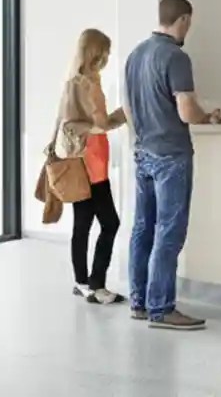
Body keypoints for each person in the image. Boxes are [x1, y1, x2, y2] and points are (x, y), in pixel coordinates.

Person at [124, 0, 221, 331]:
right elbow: (186, 111)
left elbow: (128, 108)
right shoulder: (176, 57)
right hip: (171, 155)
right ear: (183, 20)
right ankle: (162, 308)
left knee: (143, 228)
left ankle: (139, 302)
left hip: (143, 152)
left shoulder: (135, 55)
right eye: (188, 23)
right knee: (169, 230)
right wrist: (207, 117)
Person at [58, 28, 128, 305]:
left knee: (88, 223)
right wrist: (104, 124)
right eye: (103, 53)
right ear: (92, 53)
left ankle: (87, 282)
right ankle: (91, 283)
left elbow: (100, 123)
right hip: (85, 165)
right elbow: (71, 125)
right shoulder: (77, 84)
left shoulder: (91, 81)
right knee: (102, 223)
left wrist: (116, 118)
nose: (106, 59)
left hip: (97, 162)